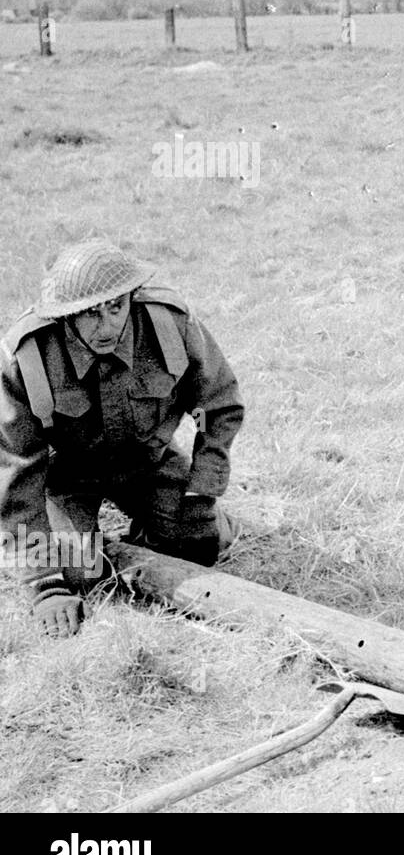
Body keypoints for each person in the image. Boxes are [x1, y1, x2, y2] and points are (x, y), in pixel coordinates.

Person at [0, 240, 245, 638]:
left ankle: (167, 530)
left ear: (131, 296)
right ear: (64, 317)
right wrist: (45, 584)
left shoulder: (169, 324)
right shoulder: (25, 357)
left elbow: (217, 407)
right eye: (90, 313)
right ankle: (88, 541)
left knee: (202, 544)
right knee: (82, 573)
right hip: (68, 479)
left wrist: (202, 490)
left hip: (151, 463)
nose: (107, 325)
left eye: (116, 307)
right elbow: (15, 474)